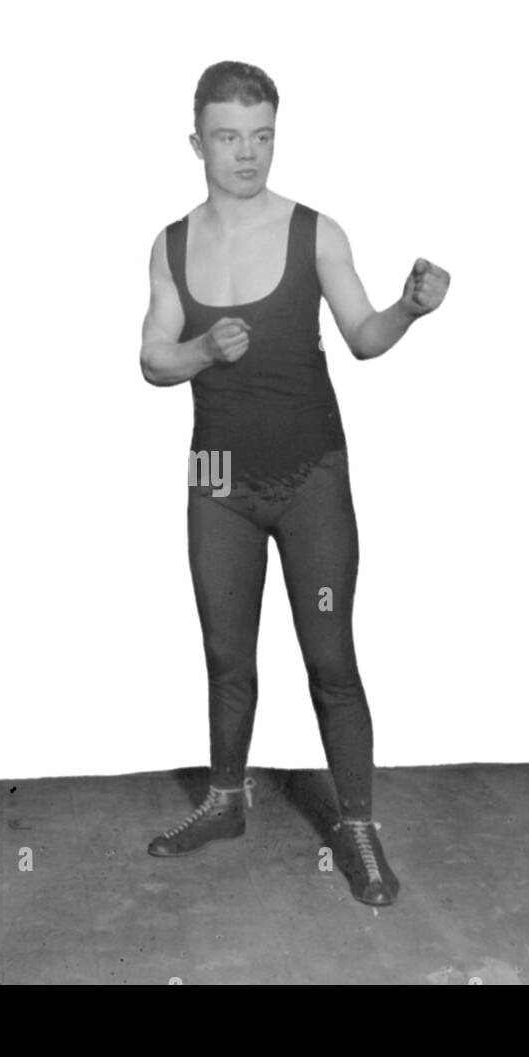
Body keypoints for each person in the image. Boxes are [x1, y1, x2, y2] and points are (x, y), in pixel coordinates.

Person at [138, 61, 451, 906]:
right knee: (225, 653)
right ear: (196, 140)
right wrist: (205, 351)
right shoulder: (171, 243)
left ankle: (357, 826)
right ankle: (226, 799)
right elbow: (152, 357)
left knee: (329, 657)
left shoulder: (316, 231)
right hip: (217, 479)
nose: (248, 153)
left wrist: (409, 308)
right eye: (230, 137)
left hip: (312, 470)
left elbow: (364, 336)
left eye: (263, 135)